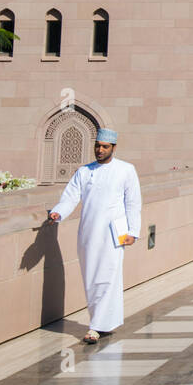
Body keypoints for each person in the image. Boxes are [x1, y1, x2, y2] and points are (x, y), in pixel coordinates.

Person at [48, 128, 142, 344]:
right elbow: (71, 196)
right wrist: (58, 212)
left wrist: (133, 232)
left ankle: (95, 327)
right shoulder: (84, 171)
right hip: (89, 232)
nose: (100, 150)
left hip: (114, 233)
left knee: (108, 276)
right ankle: (104, 323)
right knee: (91, 278)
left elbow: (133, 202)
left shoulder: (126, 170)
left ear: (113, 148)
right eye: (97, 146)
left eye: (105, 147)